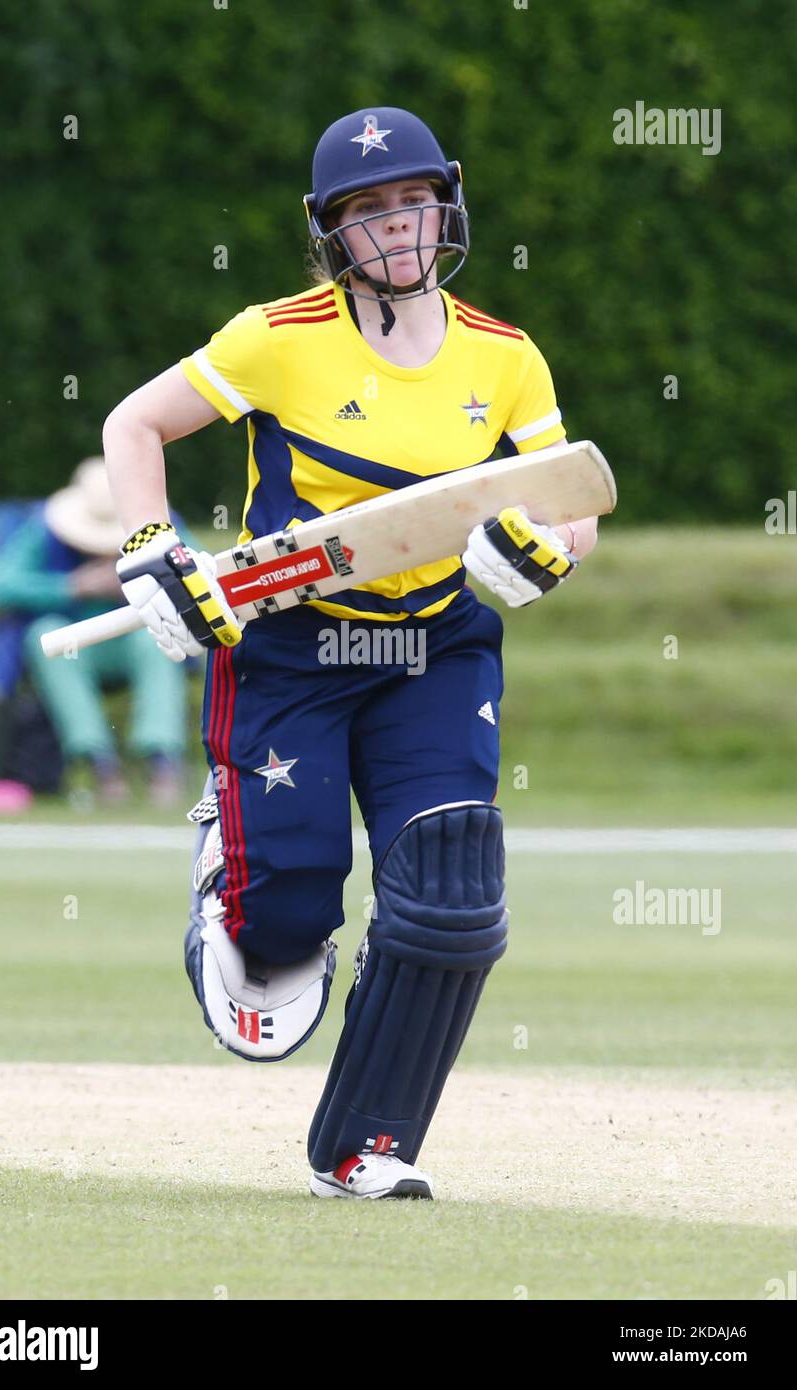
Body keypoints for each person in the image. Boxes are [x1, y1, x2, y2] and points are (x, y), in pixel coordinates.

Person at [103, 106, 599, 1199]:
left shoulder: (505, 357)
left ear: (447, 203)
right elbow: (133, 426)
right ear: (330, 231)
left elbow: (570, 501)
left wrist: (546, 549)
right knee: (282, 933)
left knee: (455, 894)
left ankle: (365, 1144)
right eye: (367, 210)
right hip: (290, 646)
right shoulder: (273, 339)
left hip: (437, 647)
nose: (397, 227)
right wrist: (151, 549)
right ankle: (232, 867)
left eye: (412, 200)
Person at [0, 457, 192, 806]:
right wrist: (72, 587)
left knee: (157, 637)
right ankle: (99, 762)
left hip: (139, 639)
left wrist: (153, 583)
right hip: (75, 644)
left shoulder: (162, 525)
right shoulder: (43, 527)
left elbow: (204, 574)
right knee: (45, 635)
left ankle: (162, 759)